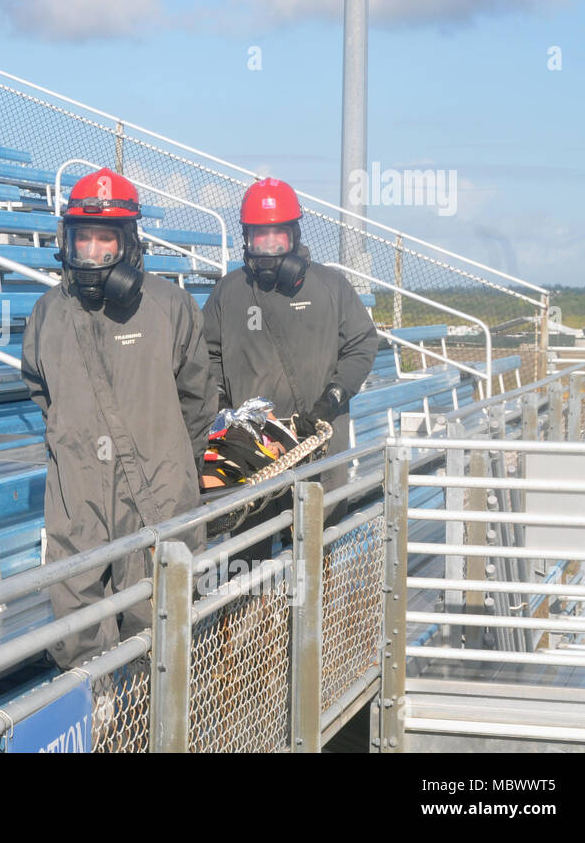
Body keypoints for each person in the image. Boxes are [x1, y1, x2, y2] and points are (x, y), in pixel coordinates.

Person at [20, 167, 217, 670]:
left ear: (129, 243)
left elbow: (199, 397)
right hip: (76, 493)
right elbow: (41, 390)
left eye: (105, 239)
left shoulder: (171, 307)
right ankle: (98, 720)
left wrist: (174, 460)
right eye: (83, 239)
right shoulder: (47, 312)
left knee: (161, 624)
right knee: (78, 623)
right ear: (66, 240)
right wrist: (76, 442)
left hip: (161, 489)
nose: (93, 252)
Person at [202, 177, 378, 554]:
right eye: (258, 237)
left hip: (319, 444)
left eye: (276, 237)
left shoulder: (332, 287)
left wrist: (332, 398)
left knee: (316, 548)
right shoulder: (227, 292)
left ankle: (311, 612)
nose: (267, 248)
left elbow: (362, 344)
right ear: (246, 238)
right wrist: (221, 406)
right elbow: (207, 356)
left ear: (294, 235)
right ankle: (250, 613)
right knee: (248, 555)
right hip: (251, 453)